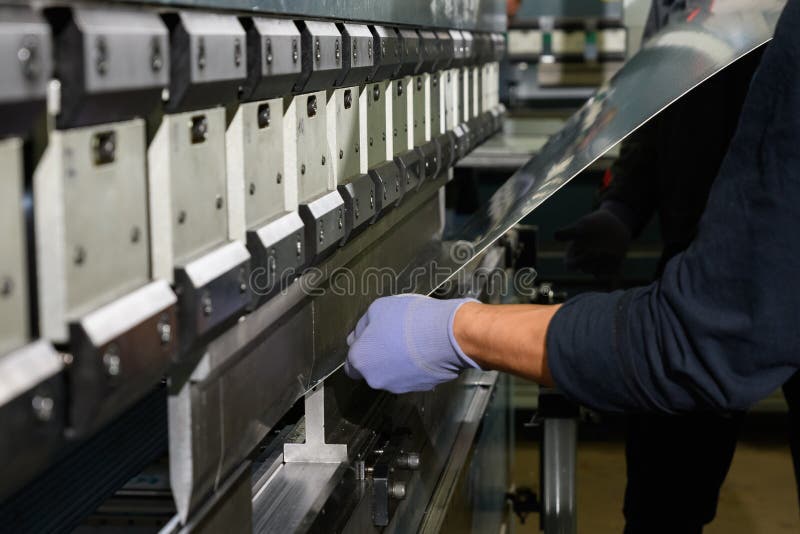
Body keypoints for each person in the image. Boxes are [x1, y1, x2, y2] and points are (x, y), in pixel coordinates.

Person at [344, 0, 800, 530]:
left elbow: (705, 340)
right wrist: (622, 210)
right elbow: (664, 112)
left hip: (727, 298)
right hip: (696, 272)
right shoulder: (677, 6)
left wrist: (456, 332)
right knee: (663, 501)